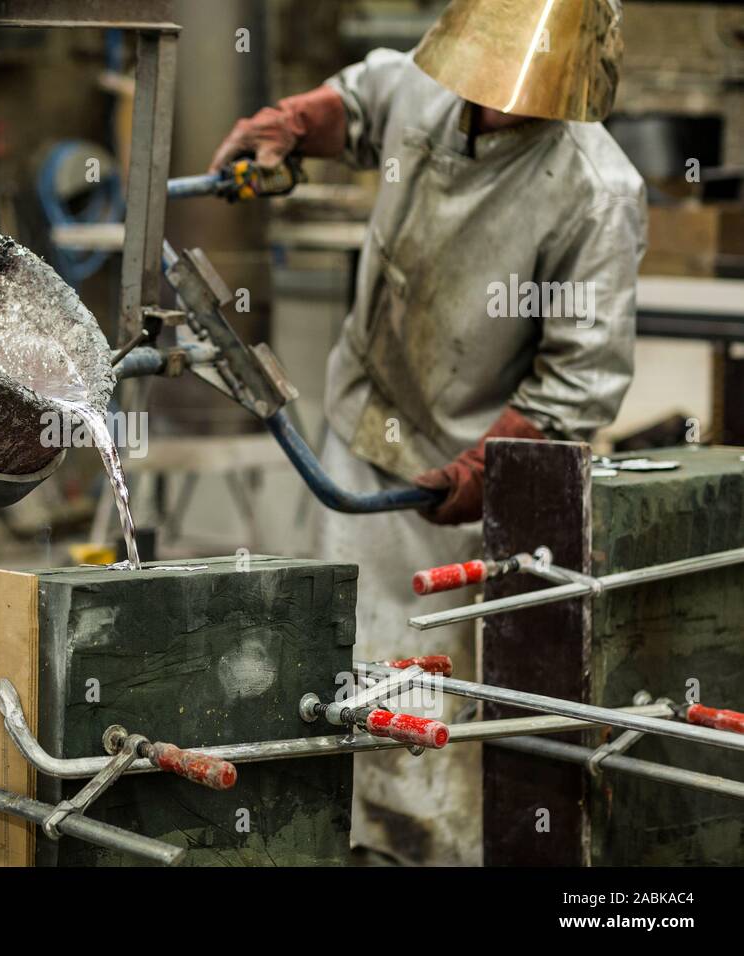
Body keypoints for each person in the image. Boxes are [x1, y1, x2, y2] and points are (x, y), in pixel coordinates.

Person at [210, 0, 646, 863]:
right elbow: (360, 104)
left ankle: (421, 849)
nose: (496, 102)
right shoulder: (426, 88)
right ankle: (350, 835)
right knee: (333, 663)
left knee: (418, 700)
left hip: (446, 478)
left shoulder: (596, 191)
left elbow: (575, 381)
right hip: (358, 417)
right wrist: (291, 123)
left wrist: (486, 465)